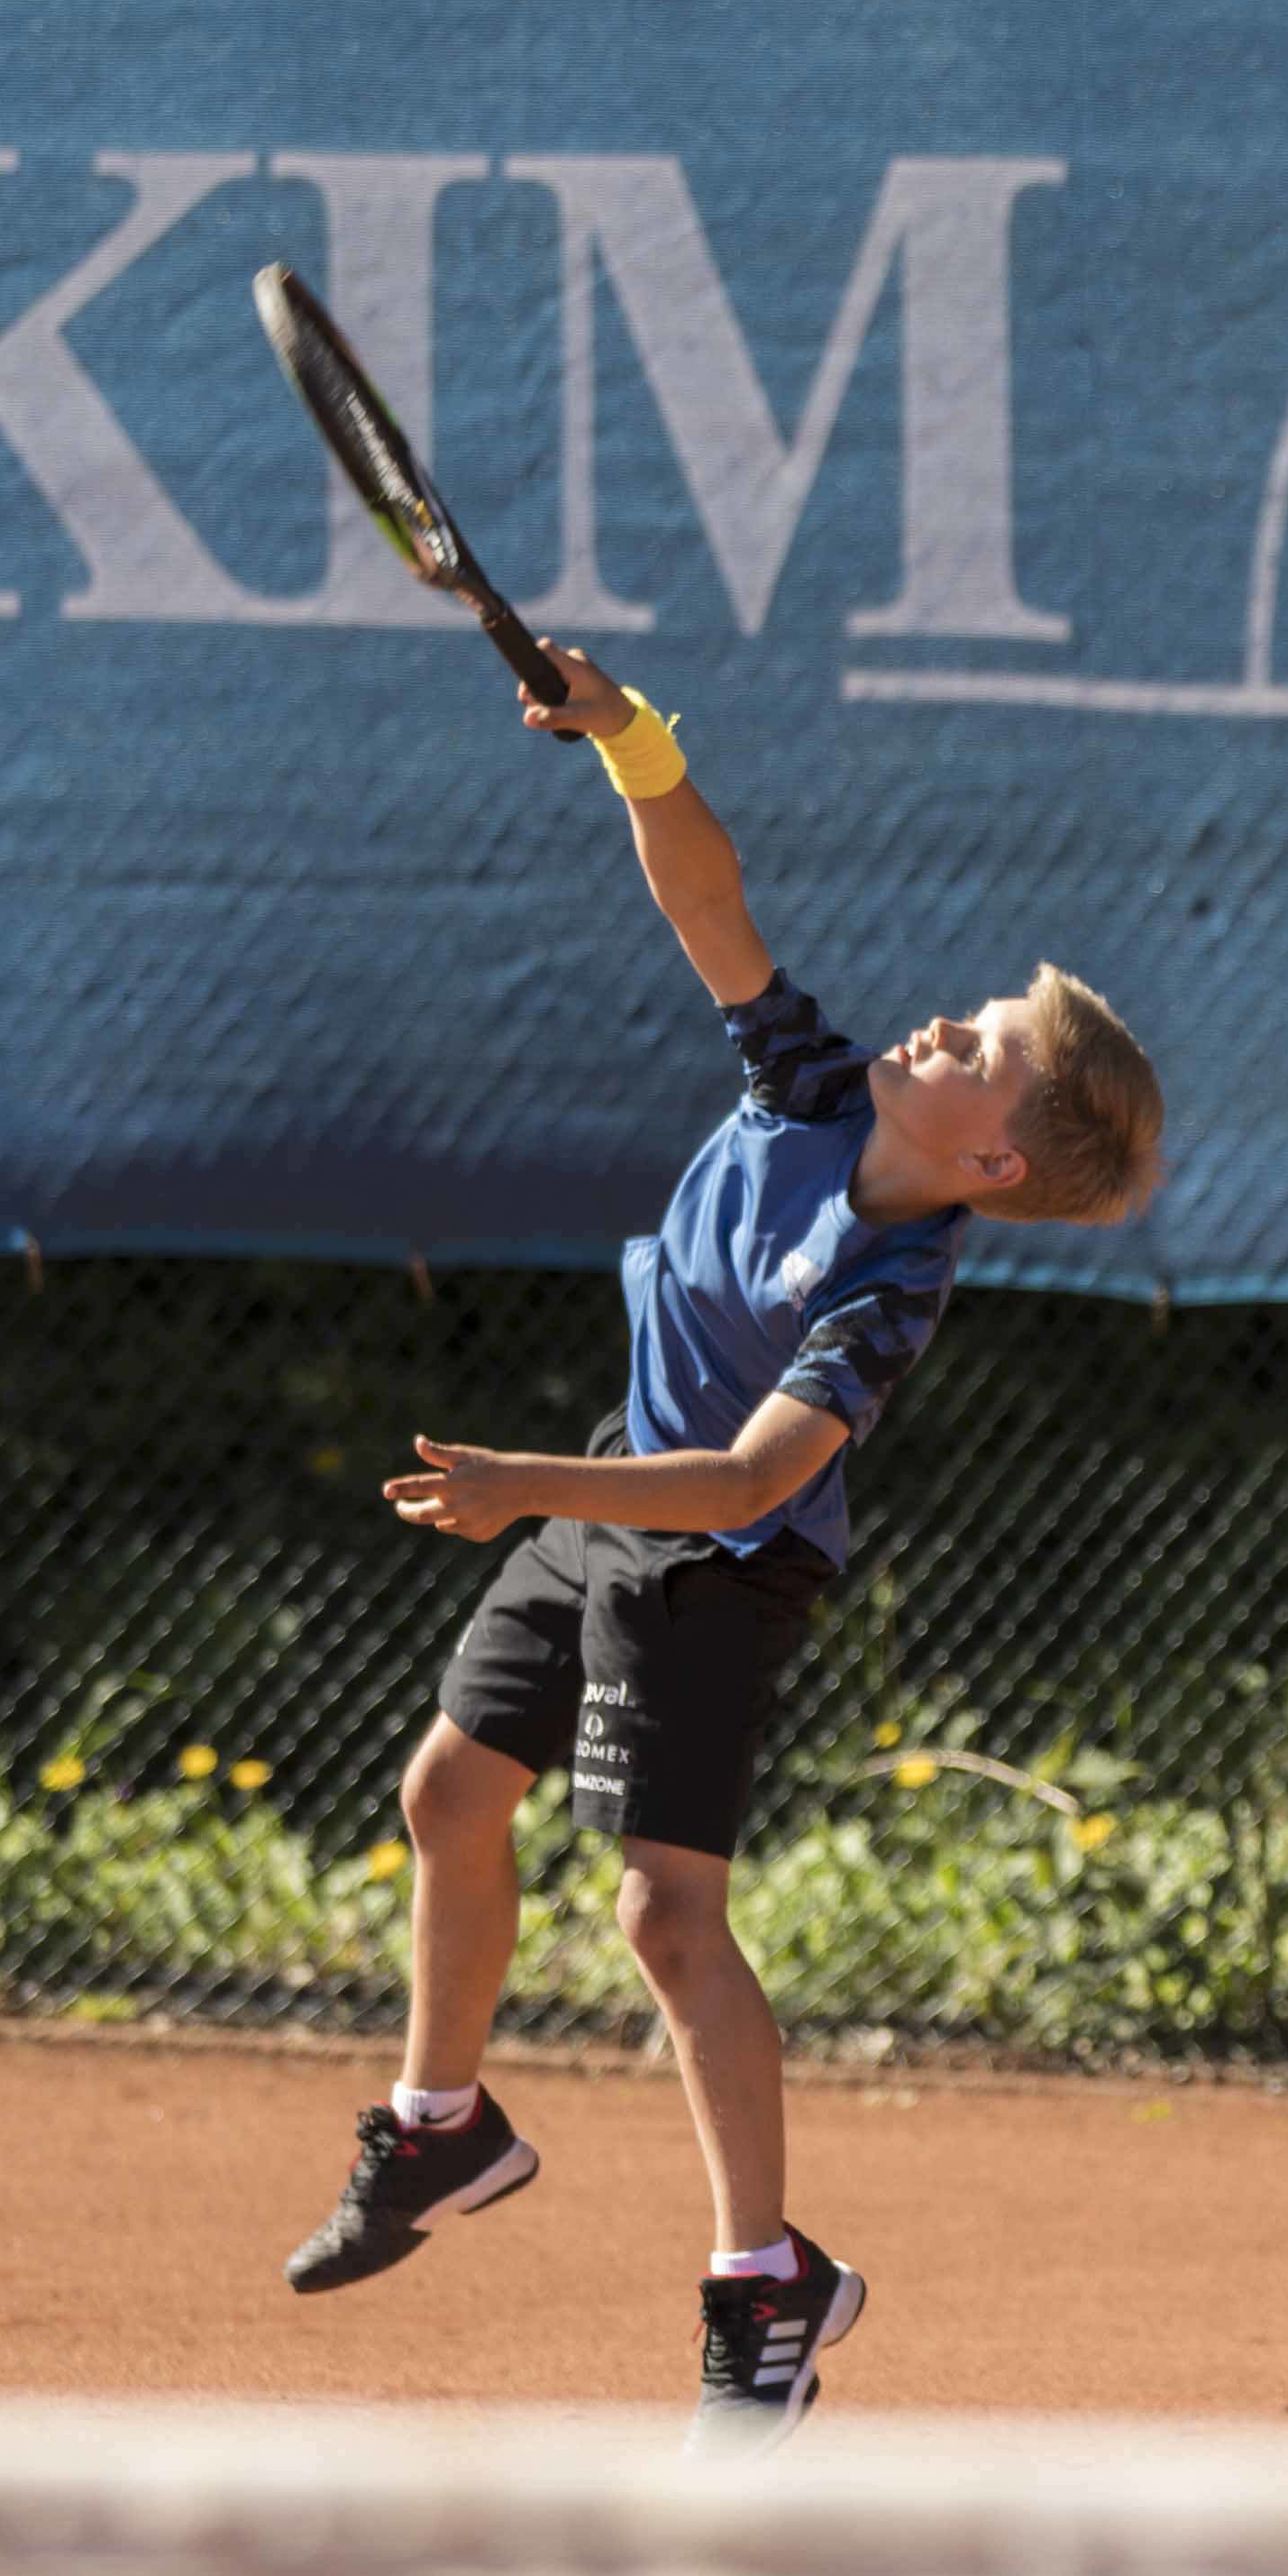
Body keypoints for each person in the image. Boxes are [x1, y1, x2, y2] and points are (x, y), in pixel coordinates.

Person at [279, 644, 1165, 2450]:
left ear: (998, 1161)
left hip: (717, 1562)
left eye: (980, 1050)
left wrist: (527, 1483)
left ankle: (769, 2289)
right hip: (617, 1495)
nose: (943, 1029)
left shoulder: (889, 1285)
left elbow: (749, 1483)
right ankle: (445, 2128)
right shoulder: (811, 1088)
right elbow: (708, 896)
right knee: (451, 1793)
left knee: (667, 1916)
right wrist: (628, 736)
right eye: (967, 1015)